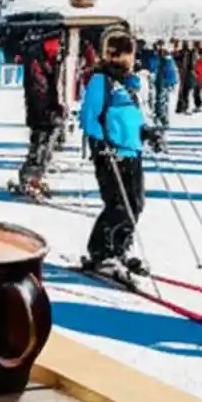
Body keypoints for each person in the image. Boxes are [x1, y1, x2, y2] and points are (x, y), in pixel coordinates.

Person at [79, 32, 153, 278]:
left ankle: (119, 248)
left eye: (131, 54)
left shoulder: (128, 83)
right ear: (111, 54)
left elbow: (132, 118)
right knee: (119, 205)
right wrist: (100, 144)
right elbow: (90, 117)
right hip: (111, 152)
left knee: (136, 204)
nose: (129, 59)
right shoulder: (102, 81)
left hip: (132, 150)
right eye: (124, 53)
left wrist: (147, 132)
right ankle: (102, 252)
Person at [16, 36, 64, 196]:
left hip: (44, 110)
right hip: (42, 111)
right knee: (40, 145)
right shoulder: (37, 64)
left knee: (44, 146)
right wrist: (49, 109)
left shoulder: (40, 62)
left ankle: (34, 176)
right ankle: (30, 177)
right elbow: (38, 90)